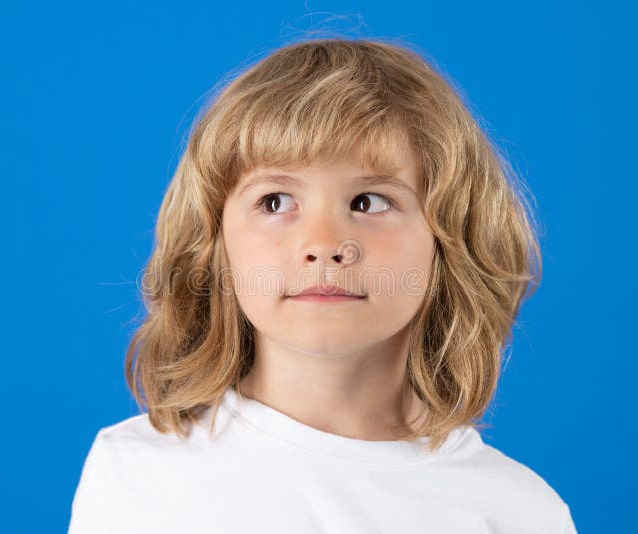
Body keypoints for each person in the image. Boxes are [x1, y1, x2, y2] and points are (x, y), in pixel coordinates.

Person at [67, 37, 578, 533]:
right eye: (275, 202)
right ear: (215, 245)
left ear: (447, 239)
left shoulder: (518, 514)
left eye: (369, 202)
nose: (325, 243)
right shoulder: (134, 475)